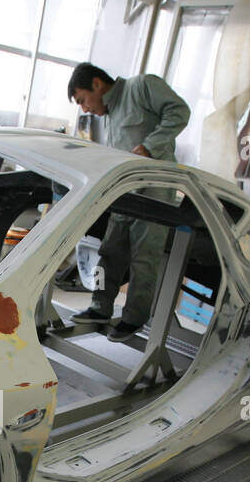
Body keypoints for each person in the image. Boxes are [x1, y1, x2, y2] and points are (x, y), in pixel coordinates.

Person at [67, 63, 190, 347]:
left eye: (83, 99)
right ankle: (100, 307)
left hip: (155, 188)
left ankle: (134, 318)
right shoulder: (108, 116)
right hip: (124, 190)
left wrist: (151, 144)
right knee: (110, 251)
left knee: (144, 256)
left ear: (97, 84)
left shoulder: (141, 87)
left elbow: (180, 111)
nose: (85, 109)